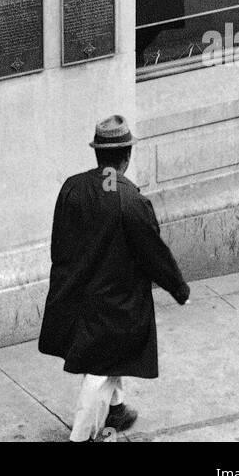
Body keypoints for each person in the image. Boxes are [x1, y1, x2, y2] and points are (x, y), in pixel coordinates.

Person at [39, 115, 190, 441]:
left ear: (98, 153)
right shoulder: (131, 202)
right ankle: (81, 436)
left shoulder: (72, 187)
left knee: (110, 357)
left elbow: (59, 245)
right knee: (100, 369)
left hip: (81, 296)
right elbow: (154, 254)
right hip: (114, 304)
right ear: (127, 156)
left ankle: (116, 409)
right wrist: (179, 288)